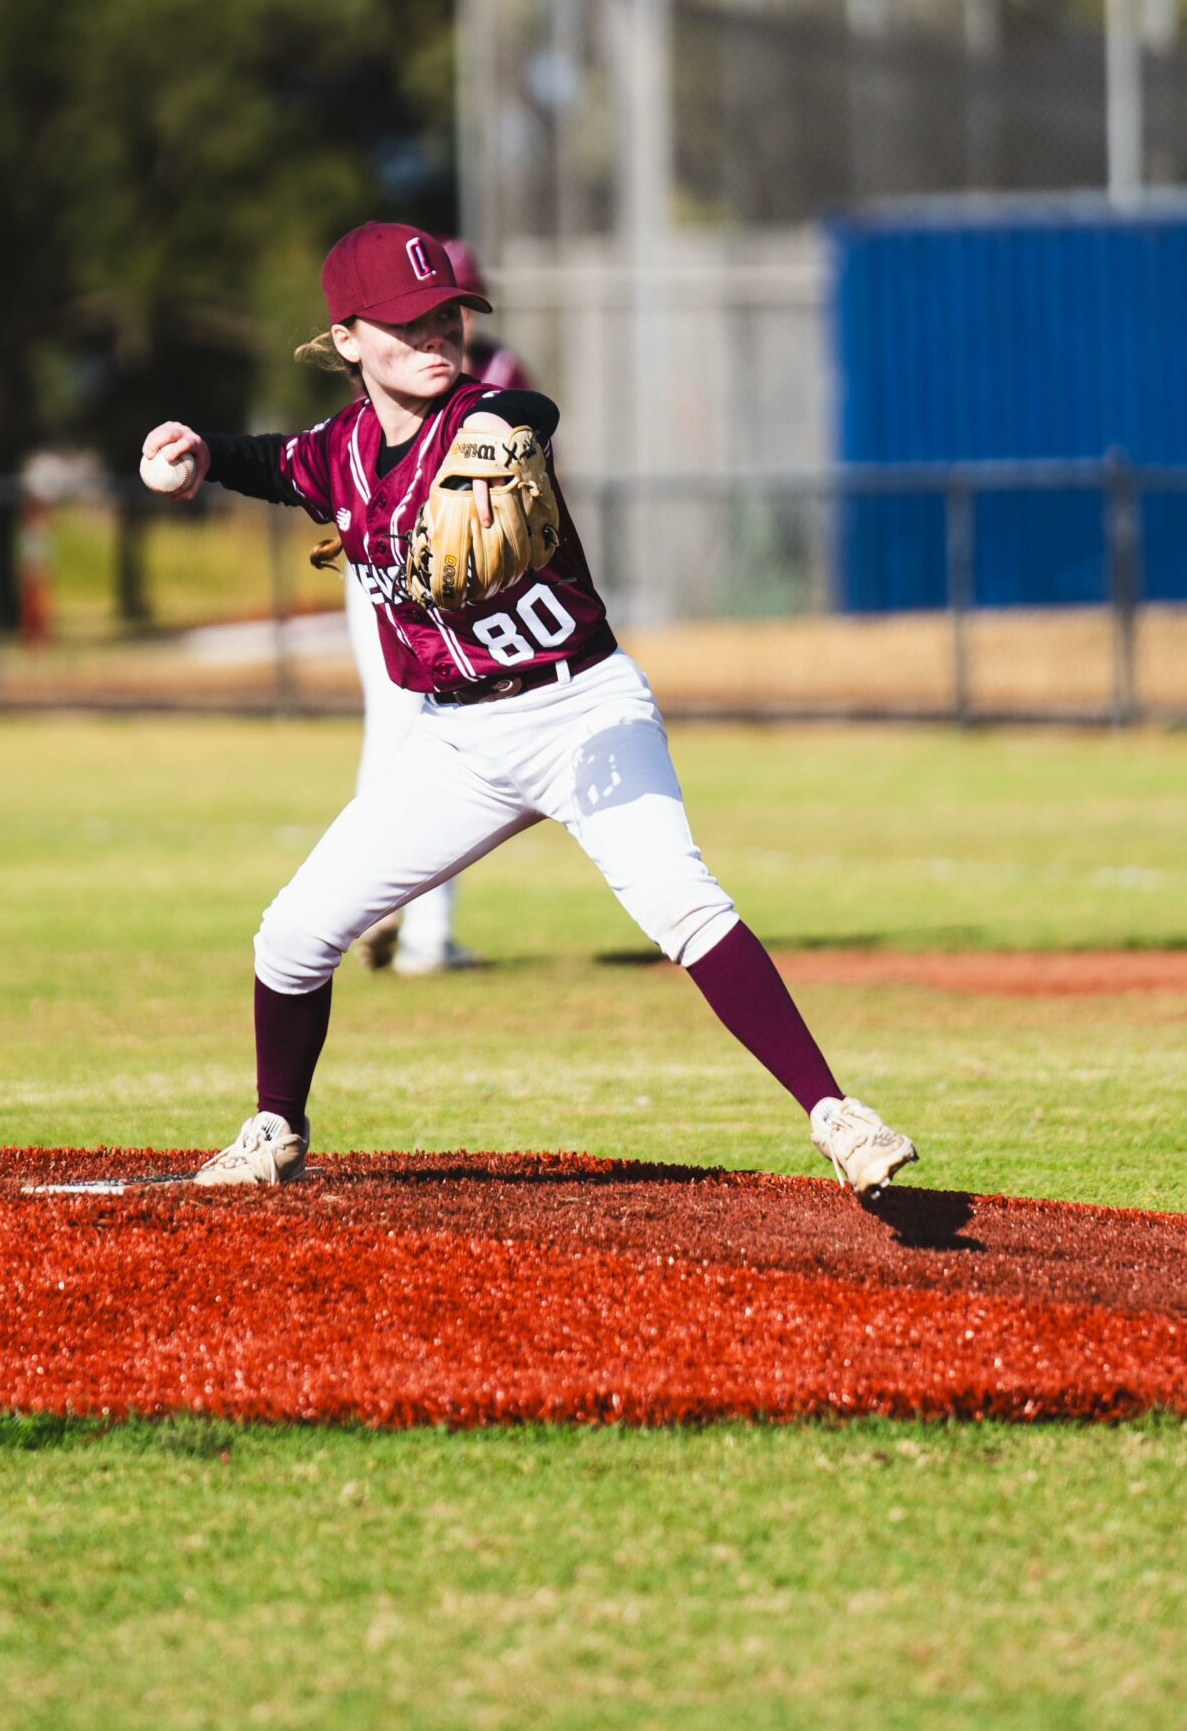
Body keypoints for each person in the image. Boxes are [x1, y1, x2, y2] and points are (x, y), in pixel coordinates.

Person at [139, 221, 918, 1195]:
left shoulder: (484, 417)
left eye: (446, 315)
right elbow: (279, 460)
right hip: (459, 741)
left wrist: (497, 433)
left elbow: (525, 411)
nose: (434, 335)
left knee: (680, 902)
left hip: (583, 710)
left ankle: (837, 1116)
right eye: (406, 322)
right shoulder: (342, 451)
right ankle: (274, 1130)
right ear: (346, 339)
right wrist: (203, 454)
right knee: (292, 935)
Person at [344, 237, 526, 975]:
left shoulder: (486, 378)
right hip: (398, 571)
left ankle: (387, 910)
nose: (448, 323)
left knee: (413, 733)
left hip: (459, 572)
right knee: (431, 733)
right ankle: (412, 927)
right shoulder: (441, 371)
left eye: (456, 306)